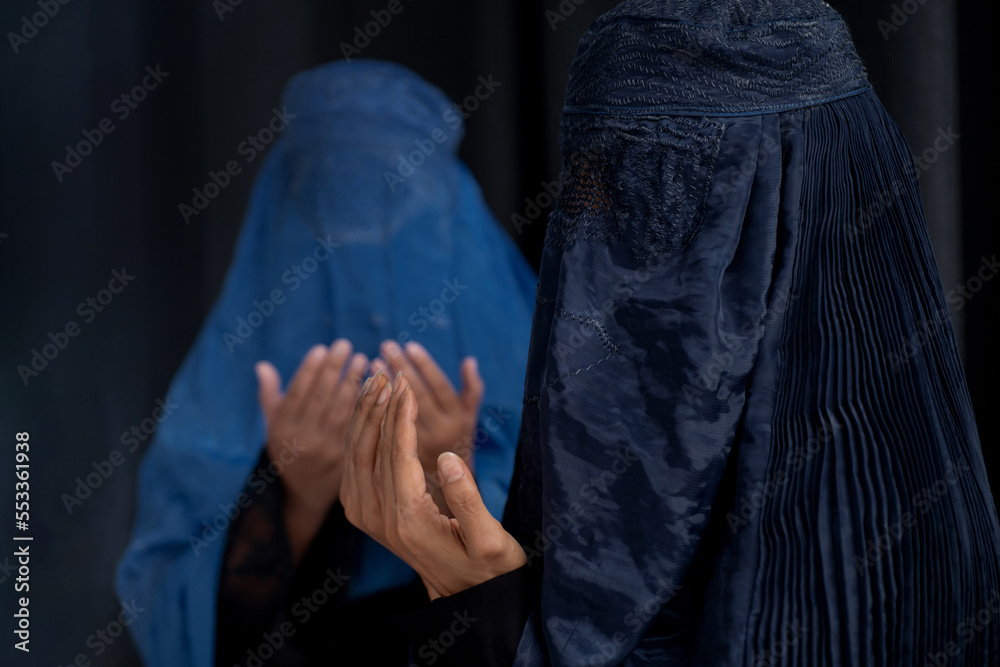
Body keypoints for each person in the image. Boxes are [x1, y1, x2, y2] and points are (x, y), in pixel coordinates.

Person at [340, 1, 1000, 665]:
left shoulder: (881, 563)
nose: (599, 262)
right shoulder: (589, 527)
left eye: (654, 207)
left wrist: (487, 620)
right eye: (588, 194)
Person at [115, 60, 537, 667]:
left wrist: (452, 478)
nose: (358, 262)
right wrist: (293, 492)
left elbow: (582, 602)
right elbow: (167, 606)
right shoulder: (226, 395)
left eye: (390, 200)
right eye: (331, 200)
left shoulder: (525, 382)